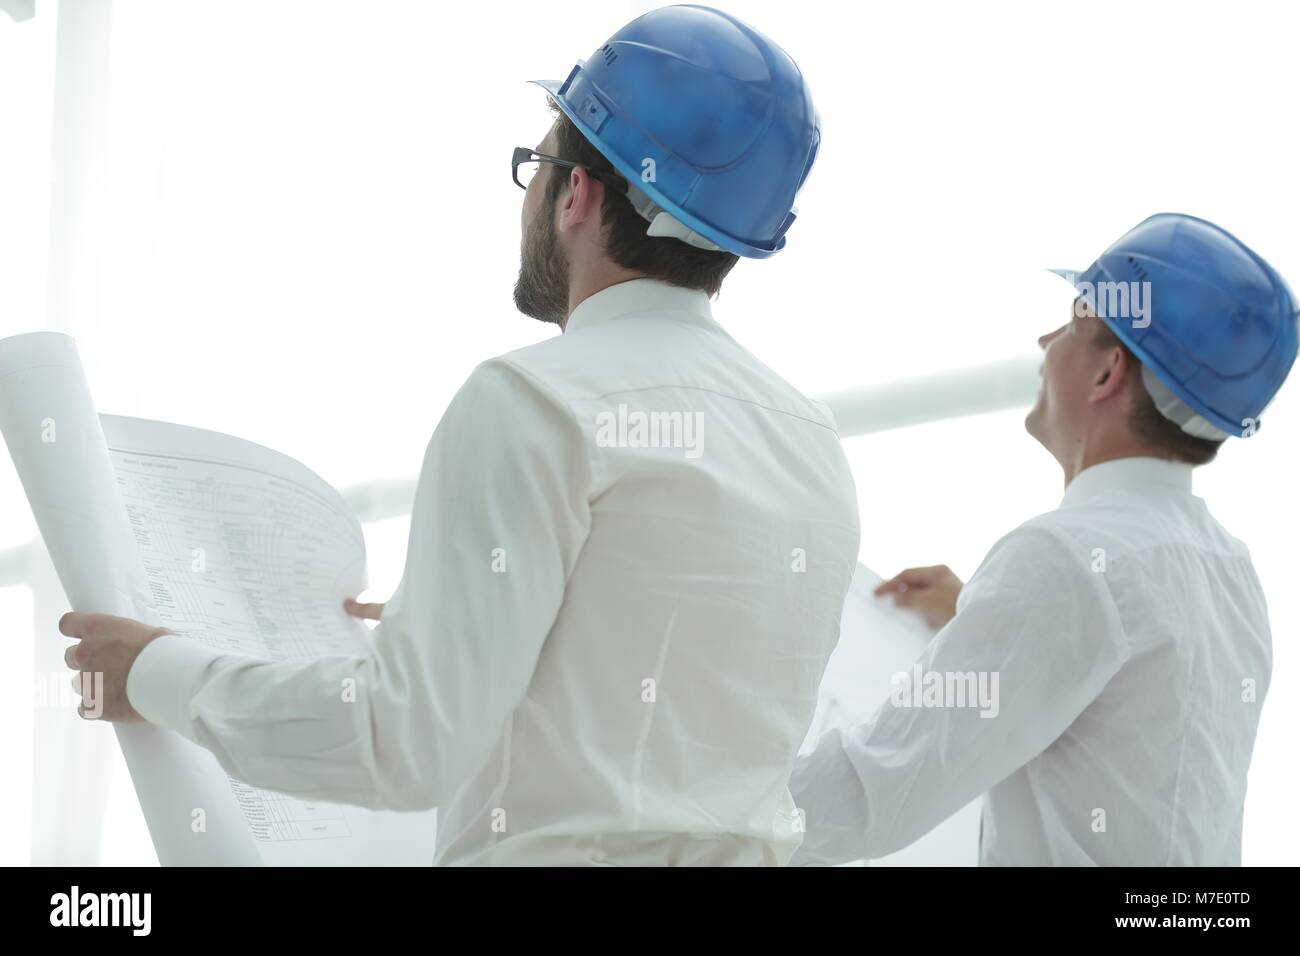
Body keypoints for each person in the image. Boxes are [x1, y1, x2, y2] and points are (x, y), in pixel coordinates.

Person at [60, 5, 861, 866]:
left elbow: (404, 744)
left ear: (578, 194)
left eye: (539, 169)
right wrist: (450, 615)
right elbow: (663, 689)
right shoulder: (810, 443)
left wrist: (153, 670)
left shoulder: (533, 400)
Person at [791, 213, 1297, 865]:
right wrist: (982, 615)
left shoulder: (1066, 562)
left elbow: (864, 799)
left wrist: (678, 813)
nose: (1045, 338)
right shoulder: (1228, 568)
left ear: (1106, 373)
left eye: (1072, 323)